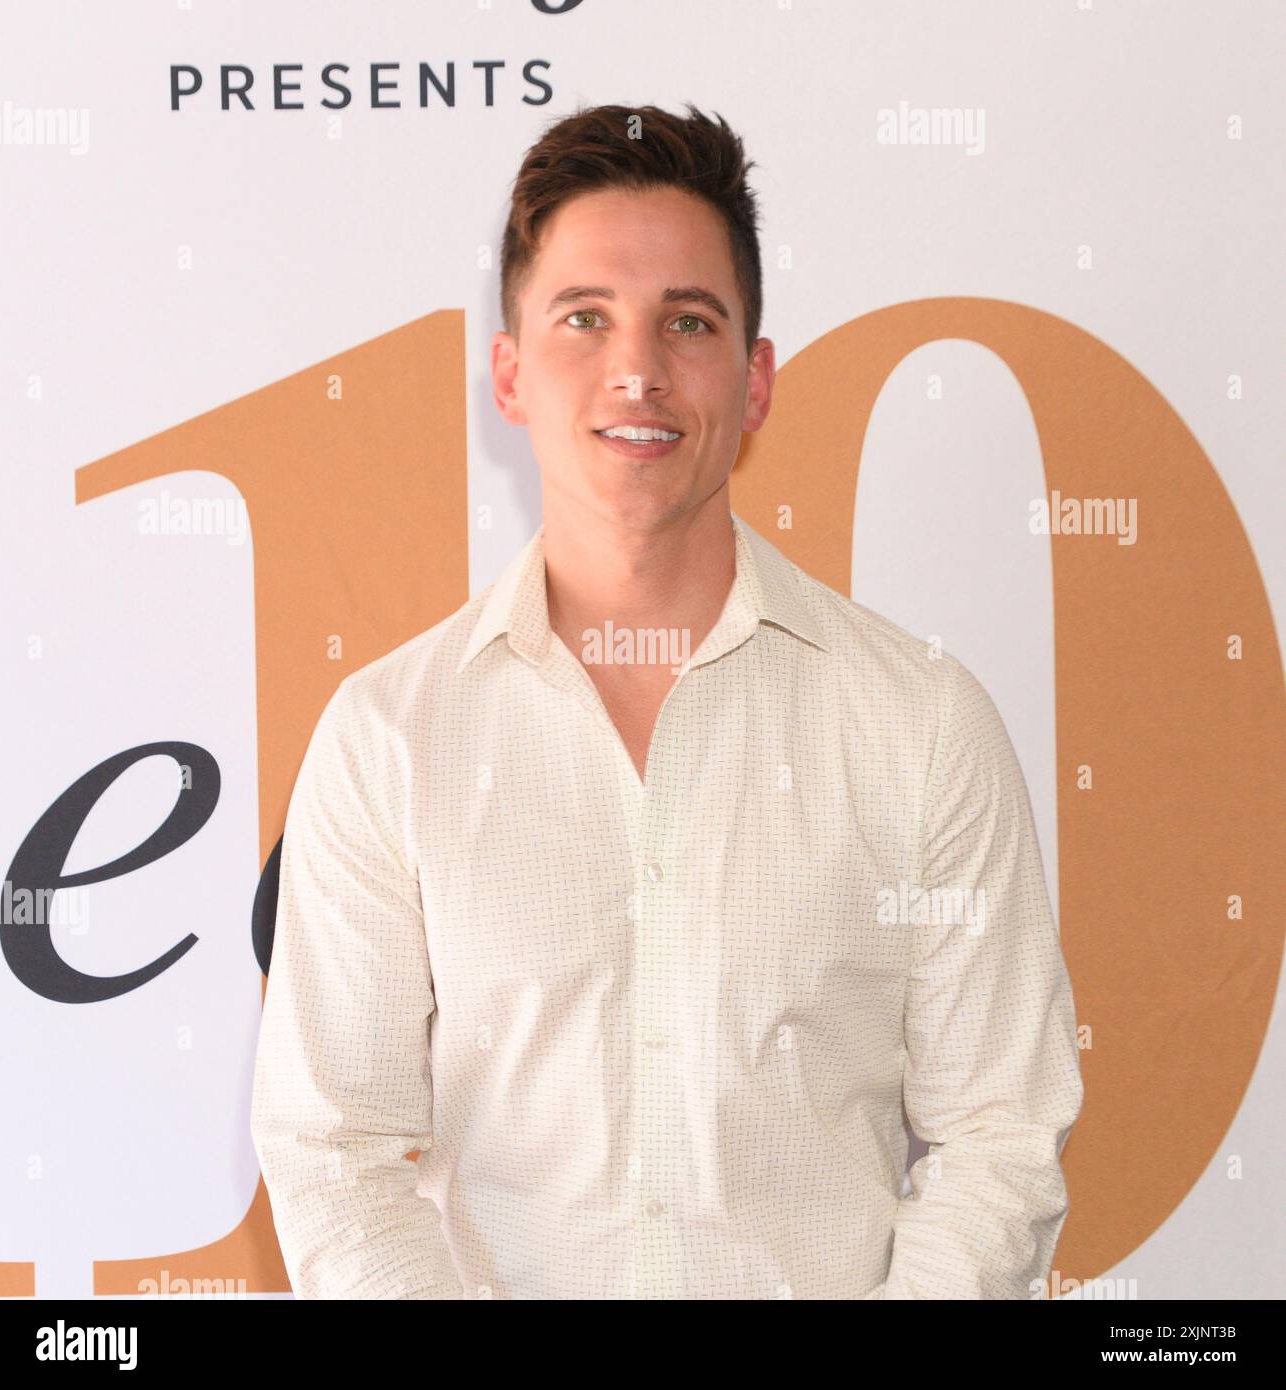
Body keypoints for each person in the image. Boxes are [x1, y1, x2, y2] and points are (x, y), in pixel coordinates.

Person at [250, 102, 1084, 1300]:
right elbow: (333, 1153)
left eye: (686, 322)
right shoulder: (389, 738)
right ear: (508, 372)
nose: (635, 368)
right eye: (583, 318)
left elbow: (999, 1134)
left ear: (753, 382)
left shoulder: (920, 725)